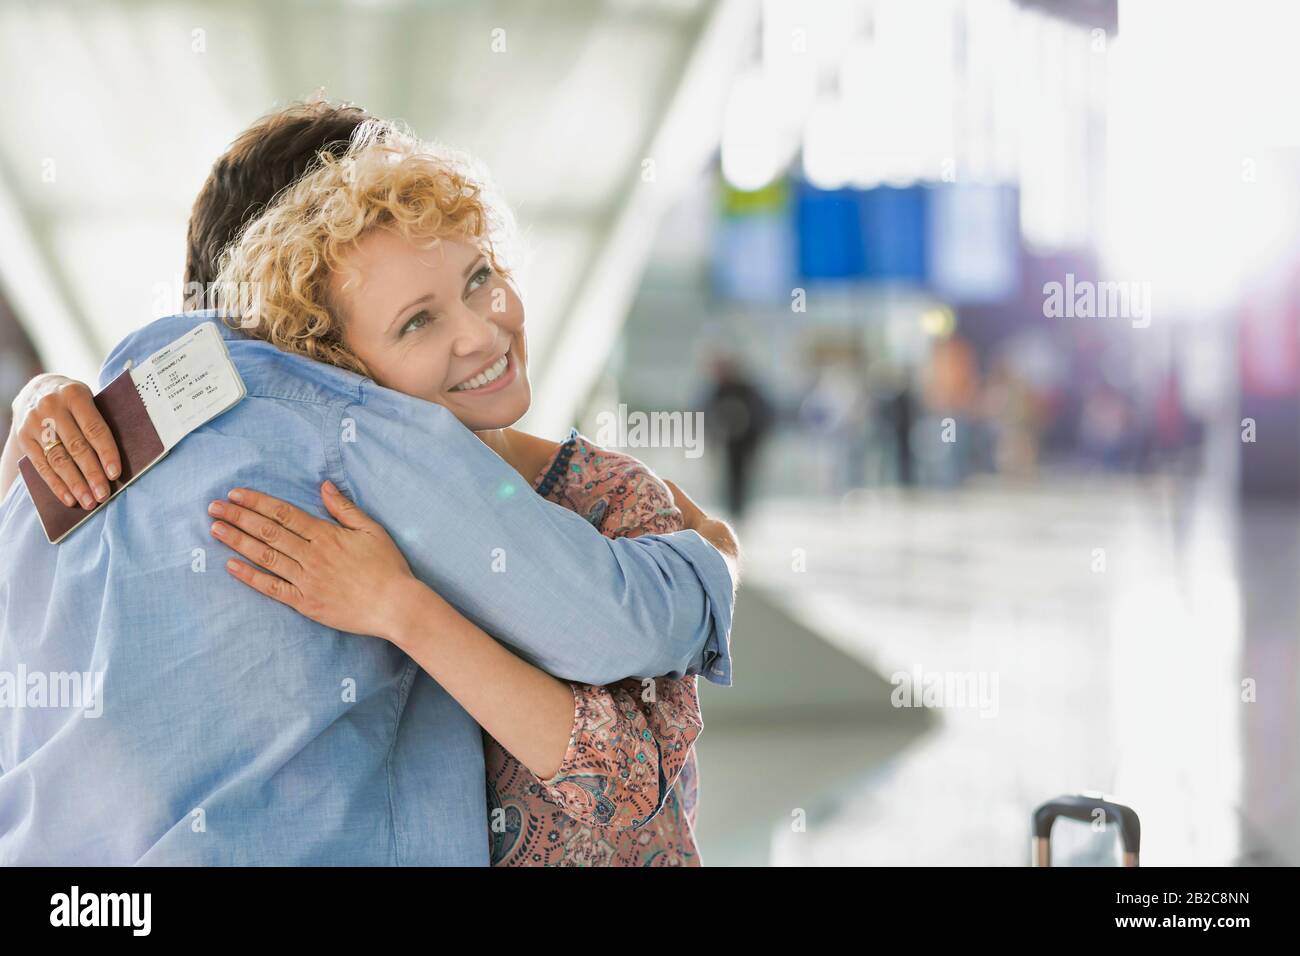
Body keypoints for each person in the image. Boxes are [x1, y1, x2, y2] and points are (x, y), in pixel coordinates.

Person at [0, 103, 736, 865]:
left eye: (478, 276)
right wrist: (716, 559)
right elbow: (619, 626)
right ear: (316, 335)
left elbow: (629, 780)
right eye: (414, 320)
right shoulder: (330, 424)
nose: (477, 332)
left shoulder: (90, 433)